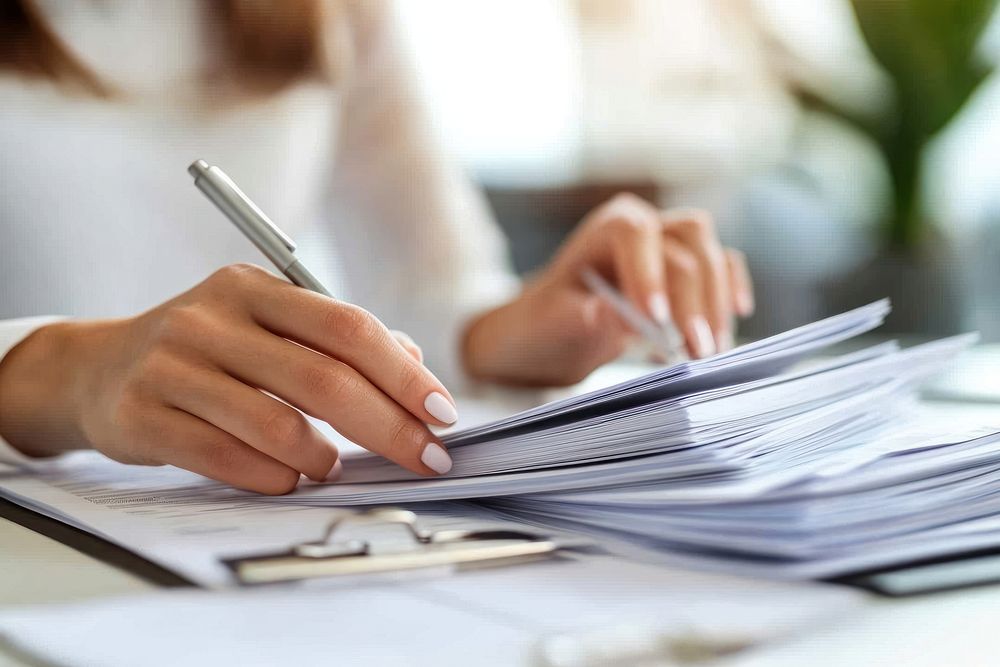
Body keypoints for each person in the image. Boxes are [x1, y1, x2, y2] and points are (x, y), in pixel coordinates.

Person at [0, 0, 754, 494]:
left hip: (248, 513)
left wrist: (518, 331)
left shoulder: (335, 12)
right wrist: (69, 372)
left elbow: (428, 288)